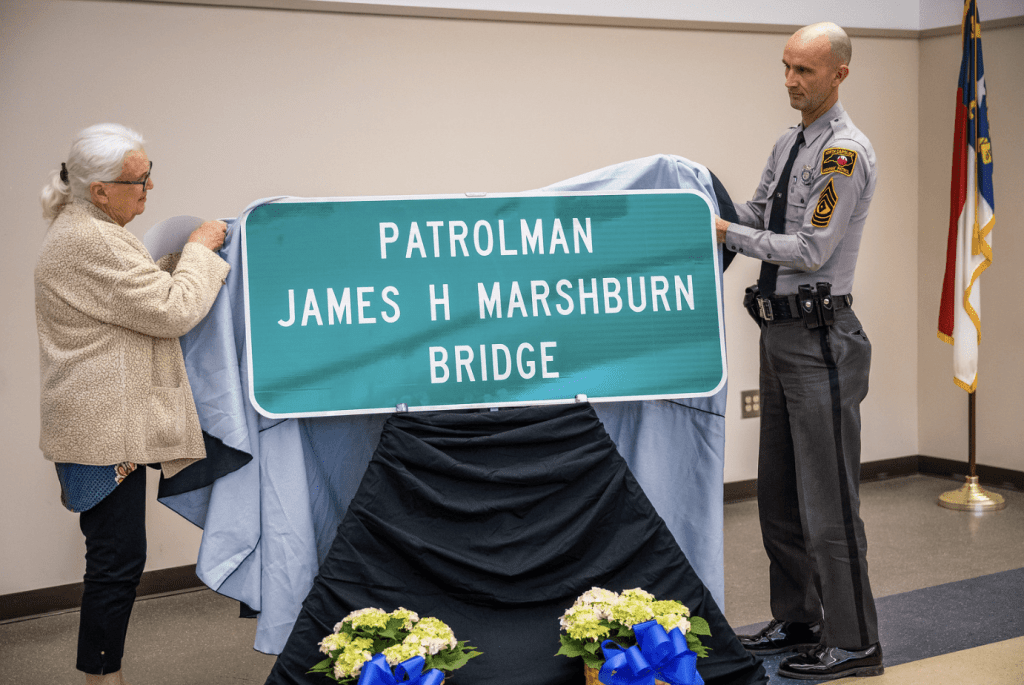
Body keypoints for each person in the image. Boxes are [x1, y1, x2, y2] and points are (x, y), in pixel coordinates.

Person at [714, 23, 882, 680]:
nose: (790, 80)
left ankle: (856, 641)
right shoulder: (791, 143)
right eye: (785, 66)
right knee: (779, 491)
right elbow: (760, 213)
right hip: (779, 333)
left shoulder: (845, 154)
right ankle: (799, 618)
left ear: (839, 74)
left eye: (804, 70)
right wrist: (706, 207)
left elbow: (811, 249)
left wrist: (726, 232)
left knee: (828, 500)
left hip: (820, 341)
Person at [35, 123, 231, 685]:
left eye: (149, 174)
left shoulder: (89, 229)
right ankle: (102, 679)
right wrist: (198, 251)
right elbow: (172, 311)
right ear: (100, 190)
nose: (149, 188)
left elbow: (135, 299)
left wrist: (179, 262)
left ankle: (103, 676)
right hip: (104, 428)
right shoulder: (91, 240)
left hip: (105, 421)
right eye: (139, 180)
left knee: (117, 558)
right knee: (116, 561)